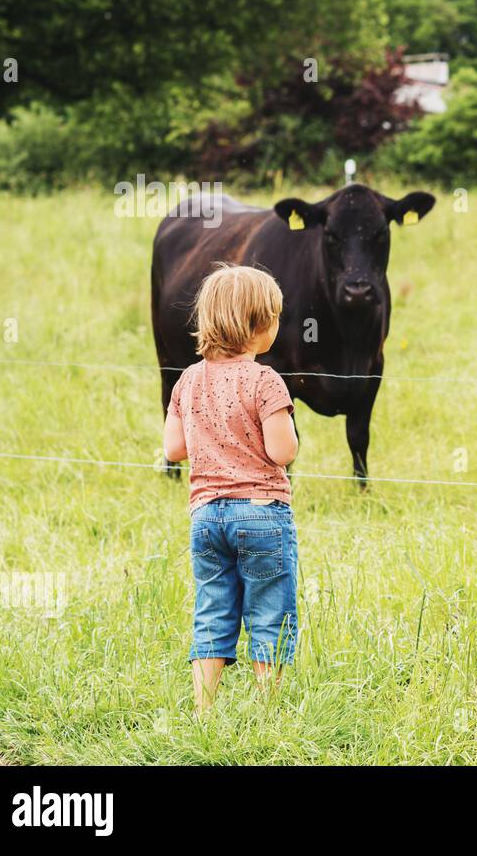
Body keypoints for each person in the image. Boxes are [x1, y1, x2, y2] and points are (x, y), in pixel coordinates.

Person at [162, 264, 299, 712]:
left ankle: (204, 709)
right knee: (268, 611)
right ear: (260, 327)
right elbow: (283, 453)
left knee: (213, 610)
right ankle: (265, 709)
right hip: (261, 512)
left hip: (206, 518)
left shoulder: (187, 380)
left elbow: (174, 448)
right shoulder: (264, 381)